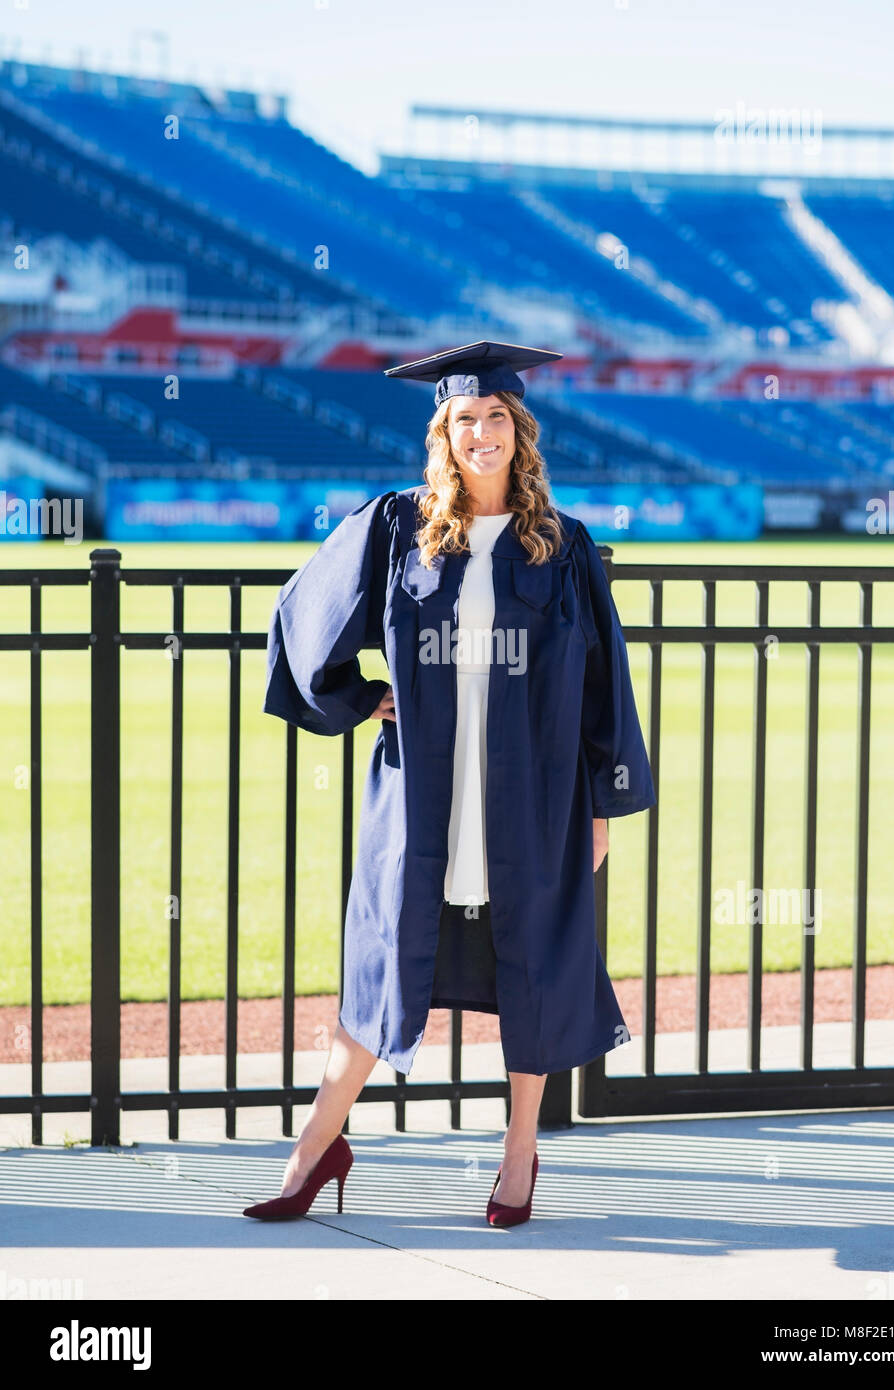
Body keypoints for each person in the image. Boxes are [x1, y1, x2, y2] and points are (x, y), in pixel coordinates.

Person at [243, 341, 656, 1226]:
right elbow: (302, 616)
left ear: (520, 431)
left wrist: (606, 805)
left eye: (496, 418)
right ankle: (316, 1148)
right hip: (425, 790)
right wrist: (360, 696)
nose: (482, 433)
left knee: (535, 967)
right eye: (464, 419)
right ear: (445, 432)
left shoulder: (563, 547)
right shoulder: (399, 528)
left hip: (536, 792)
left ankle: (520, 1156)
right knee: (381, 958)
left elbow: (602, 683)